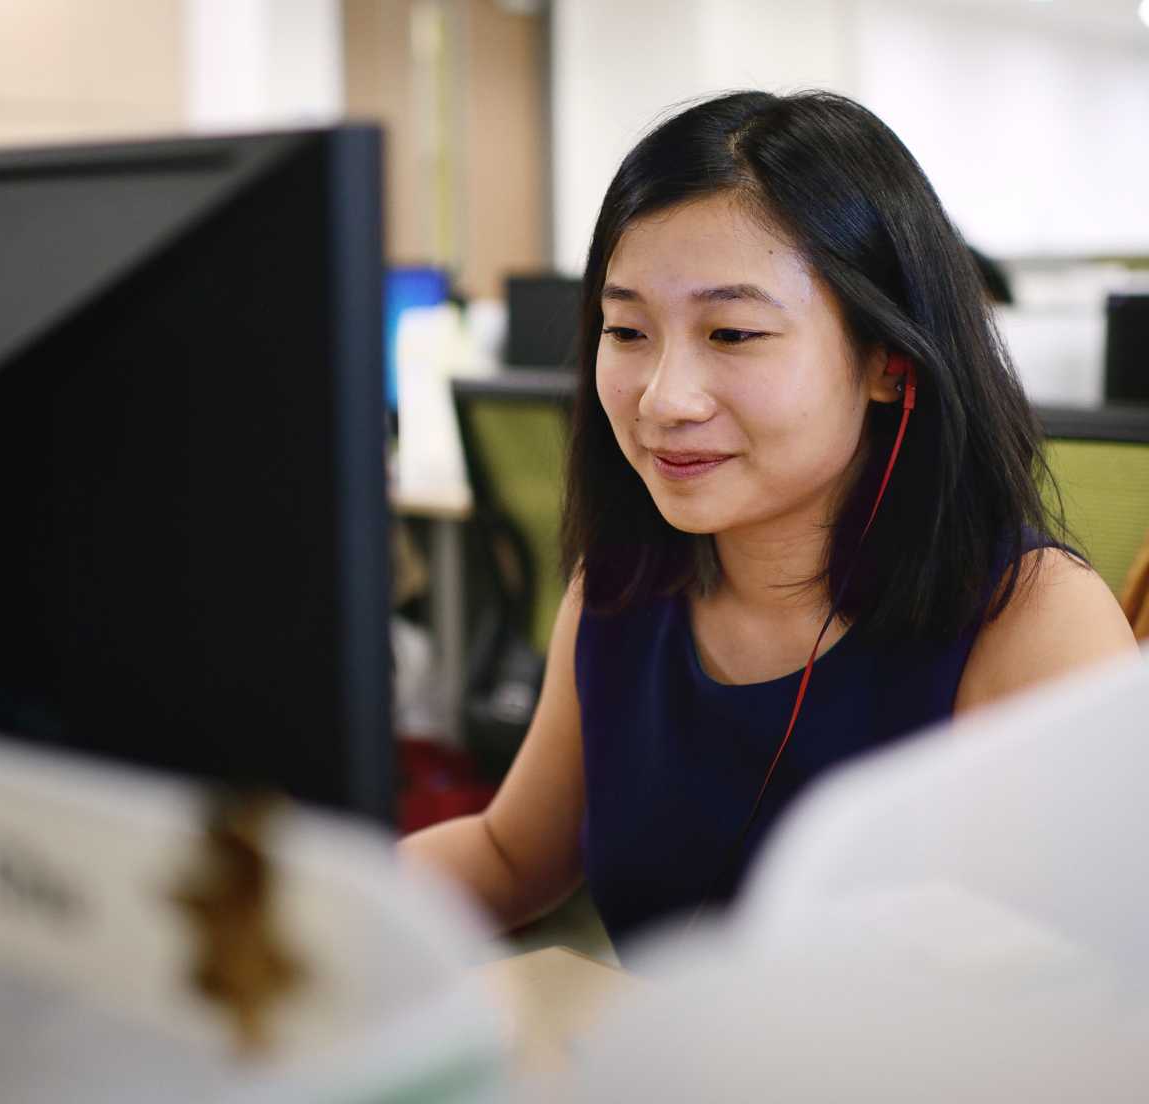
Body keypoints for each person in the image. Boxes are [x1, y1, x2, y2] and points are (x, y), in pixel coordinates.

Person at [399, 90, 1137, 954]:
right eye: (627, 329)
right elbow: (508, 854)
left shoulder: (1033, 622)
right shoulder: (621, 589)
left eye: (735, 333)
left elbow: (1104, 998)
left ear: (889, 363)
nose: (664, 398)